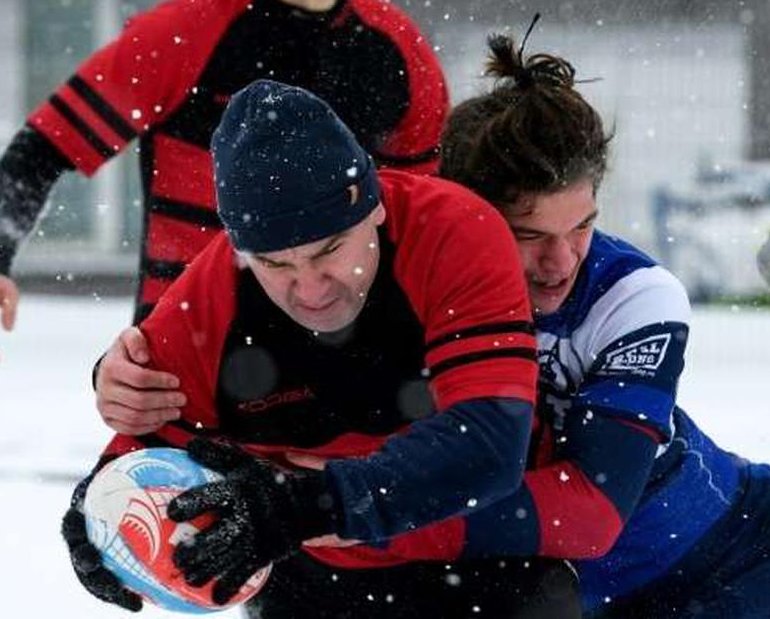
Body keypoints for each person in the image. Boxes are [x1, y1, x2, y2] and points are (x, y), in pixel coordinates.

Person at [97, 35, 770, 616]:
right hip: (565, 589)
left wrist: (322, 514)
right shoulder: (398, 268)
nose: (558, 264)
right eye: (525, 237)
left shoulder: (633, 296)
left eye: (583, 226)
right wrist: (127, 391)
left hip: (710, 535)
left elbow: (590, 510)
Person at [61, 79, 579, 618]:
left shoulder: (455, 232)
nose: (311, 289)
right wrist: (93, 520)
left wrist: (307, 506)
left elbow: (489, 446)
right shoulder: (206, 302)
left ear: (375, 208)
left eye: (331, 249)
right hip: (316, 583)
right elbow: (135, 459)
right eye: (276, 264)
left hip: (487, 559)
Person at [0, 0, 448, 363]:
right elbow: (42, 149)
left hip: (354, 360)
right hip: (189, 354)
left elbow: (431, 212)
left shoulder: (399, 49)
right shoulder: (182, 33)